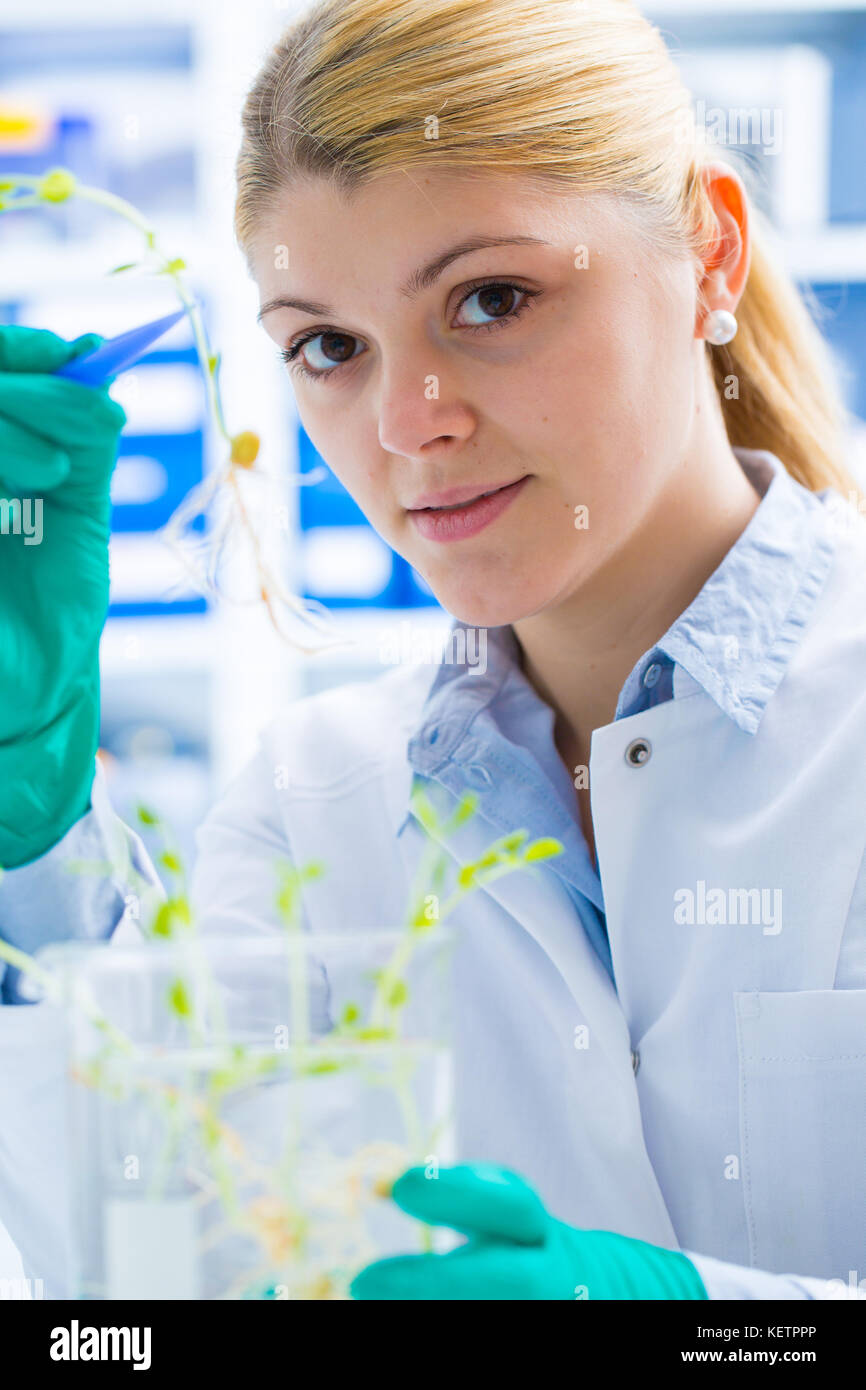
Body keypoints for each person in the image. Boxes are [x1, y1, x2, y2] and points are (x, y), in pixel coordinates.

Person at [1, 0, 864, 1301]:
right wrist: (23, 827)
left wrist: (703, 1321)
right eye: (329, 347)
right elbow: (161, 1266)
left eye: (492, 299)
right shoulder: (310, 806)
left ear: (710, 253)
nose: (407, 426)